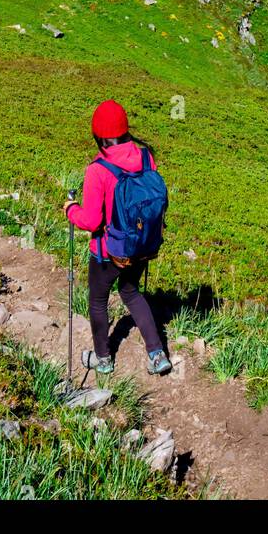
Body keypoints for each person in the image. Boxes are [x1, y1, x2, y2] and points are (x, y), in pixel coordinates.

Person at [64, 99, 172, 376]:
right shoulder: (147, 157)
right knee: (131, 292)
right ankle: (157, 354)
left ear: (98, 135)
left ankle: (103, 359)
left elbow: (92, 221)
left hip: (107, 251)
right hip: (141, 244)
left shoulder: (98, 169)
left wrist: (70, 210)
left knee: (98, 301)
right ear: (125, 130)